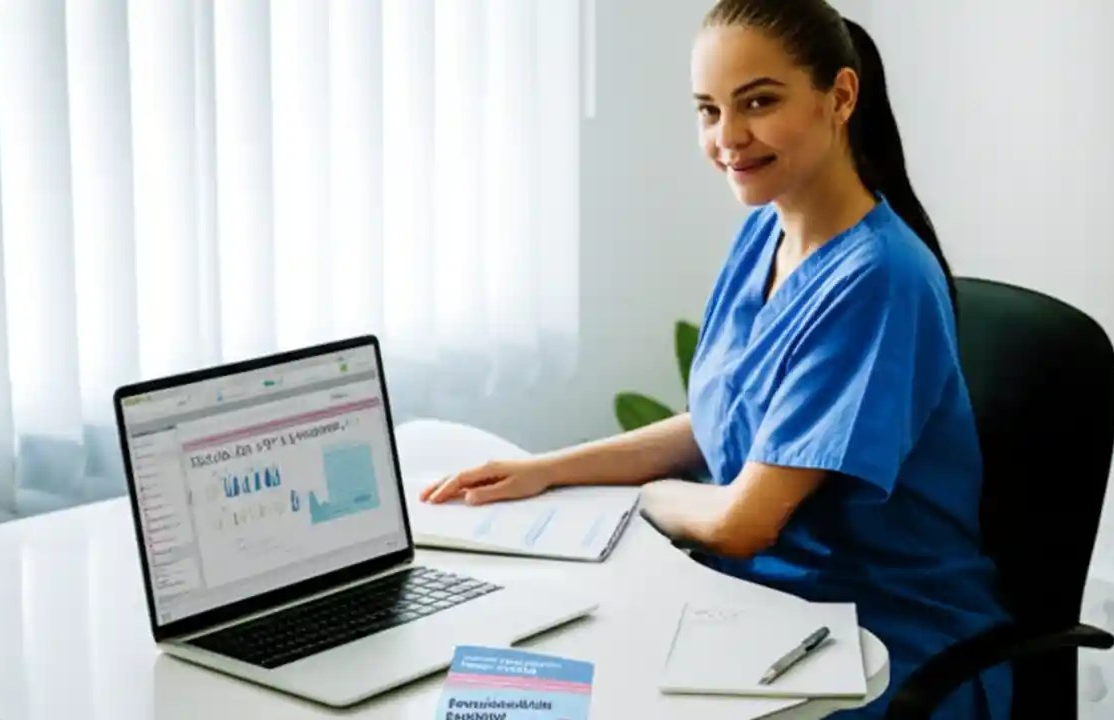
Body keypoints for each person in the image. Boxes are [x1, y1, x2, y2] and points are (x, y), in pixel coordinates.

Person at [419, 1, 1011, 717]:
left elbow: (742, 522)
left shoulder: (881, 279)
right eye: (708, 110)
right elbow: (722, 421)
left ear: (841, 97)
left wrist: (624, 503)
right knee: (503, 692)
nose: (728, 137)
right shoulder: (766, 229)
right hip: (744, 605)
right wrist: (548, 471)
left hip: (872, 640)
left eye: (758, 102)